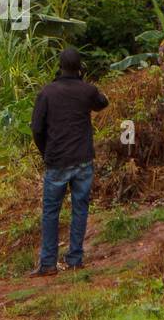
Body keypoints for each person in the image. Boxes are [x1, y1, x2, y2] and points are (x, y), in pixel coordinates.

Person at [31, 47, 109, 275]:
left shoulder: (47, 93)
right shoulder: (87, 91)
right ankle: (75, 259)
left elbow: (37, 129)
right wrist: (85, 82)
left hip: (56, 161)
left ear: (60, 66)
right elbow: (102, 102)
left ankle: (48, 264)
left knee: (51, 212)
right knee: (80, 209)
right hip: (83, 160)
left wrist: (46, 152)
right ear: (80, 68)